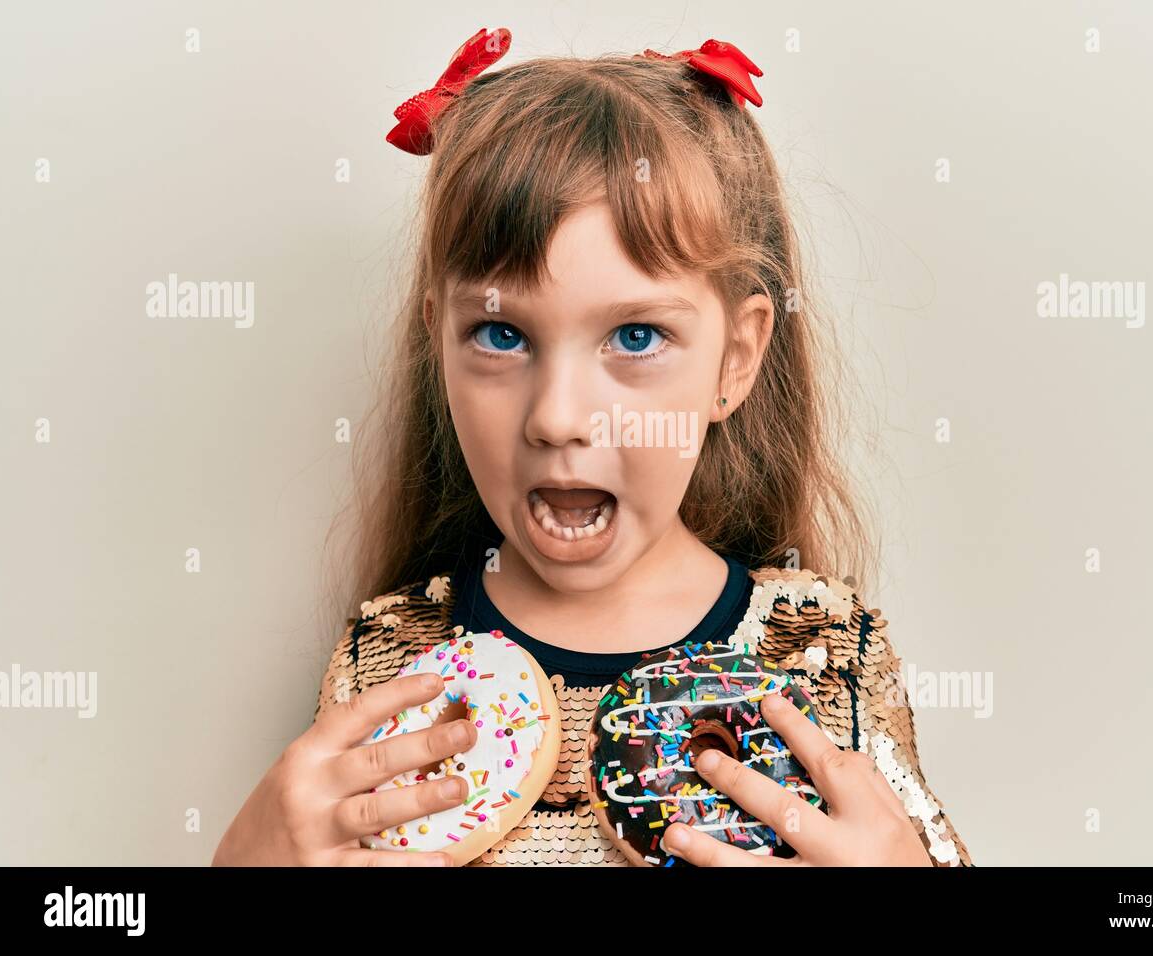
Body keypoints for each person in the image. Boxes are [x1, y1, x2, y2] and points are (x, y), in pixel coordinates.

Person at [213, 28, 973, 868]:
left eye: (636, 336)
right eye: (501, 334)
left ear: (736, 359)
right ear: (439, 342)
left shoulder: (826, 655)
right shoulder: (388, 662)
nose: (560, 417)